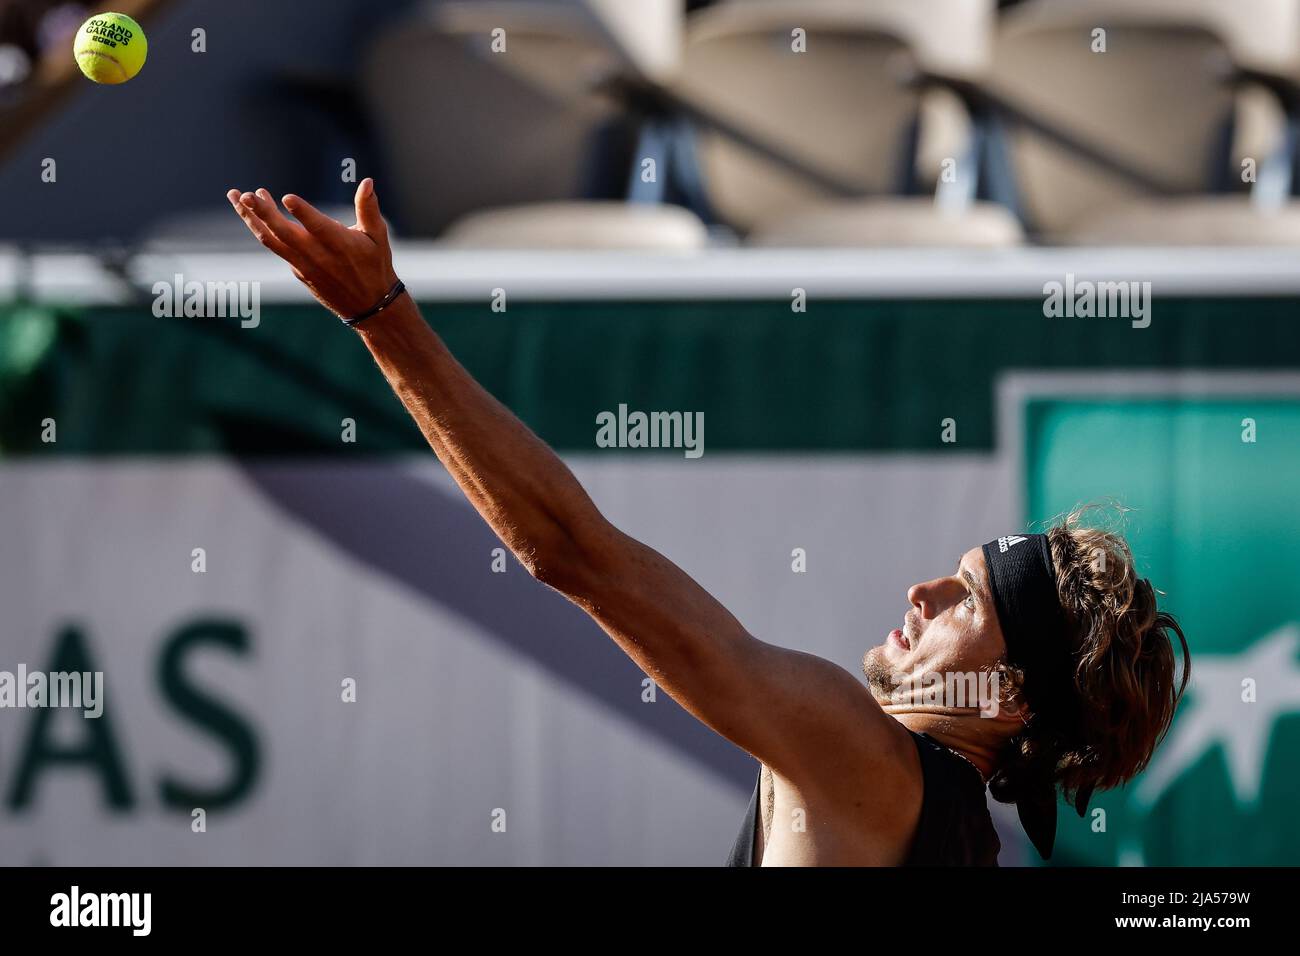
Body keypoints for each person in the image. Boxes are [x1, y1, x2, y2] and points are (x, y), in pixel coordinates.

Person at [227, 181, 1191, 865]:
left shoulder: (862, 753)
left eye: (966, 599)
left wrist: (383, 317)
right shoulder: (962, 833)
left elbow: (571, 555)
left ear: (1011, 697)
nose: (923, 590)